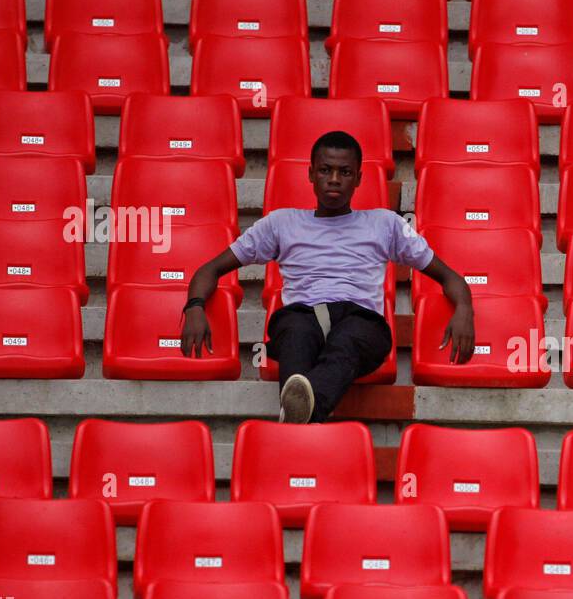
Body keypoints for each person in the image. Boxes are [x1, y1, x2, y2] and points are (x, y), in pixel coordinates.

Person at [180, 130, 474, 422]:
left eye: (345, 171)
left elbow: (450, 278)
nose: (334, 179)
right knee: (296, 330)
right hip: (302, 317)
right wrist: (194, 306)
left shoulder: (385, 224)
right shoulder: (281, 223)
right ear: (311, 174)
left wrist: (464, 308)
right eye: (325, 170)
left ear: (358, 178)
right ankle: (304, 417)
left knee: (347, 339)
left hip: (361, 323)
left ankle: (298, 416)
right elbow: (210, 269)